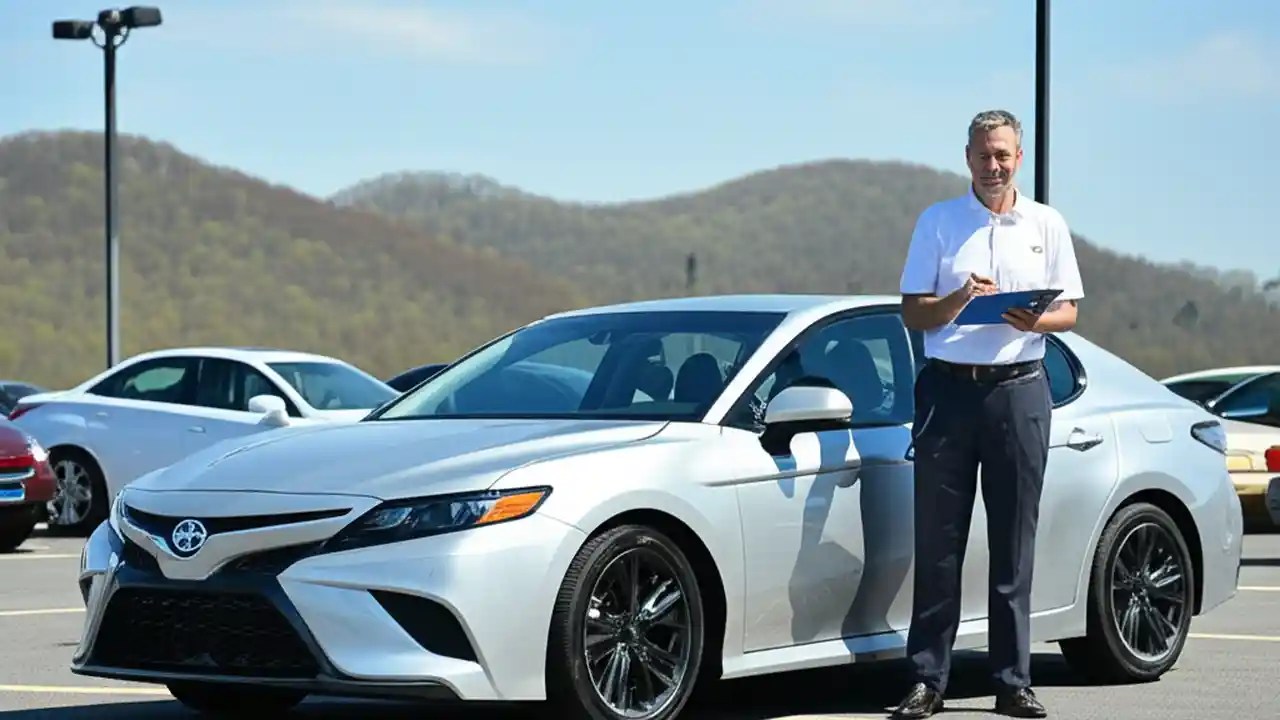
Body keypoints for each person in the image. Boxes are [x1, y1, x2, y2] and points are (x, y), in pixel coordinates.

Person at [890, 109, 1084, 719]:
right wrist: (955, 301)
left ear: (1018, 157)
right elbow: (912, 313)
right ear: (967, 158)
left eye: (1003, 155)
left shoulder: (1046, 224)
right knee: (939, 541)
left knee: (1013, 542)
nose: (993, 165)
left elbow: (1070, 312)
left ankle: (1012, 681)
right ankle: (928, 681)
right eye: (983, 155)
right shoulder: (939, 222)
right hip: (948, 395)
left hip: (1020, 392)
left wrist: (1036, 319)